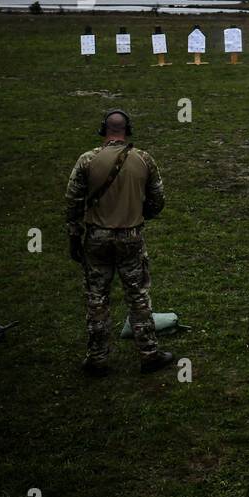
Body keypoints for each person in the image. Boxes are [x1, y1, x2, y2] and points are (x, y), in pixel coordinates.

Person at [65, 109, 175, 375]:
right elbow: (158, 200)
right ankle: (149, 353)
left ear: (104, 129)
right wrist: (139, 214)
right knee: (138, 296)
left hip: (96, 236)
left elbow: (73, 202)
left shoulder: (87, 160)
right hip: (131, 236)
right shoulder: (144, 159)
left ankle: (97, 358)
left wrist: (74, 236)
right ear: (128, 130)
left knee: (96, 299)